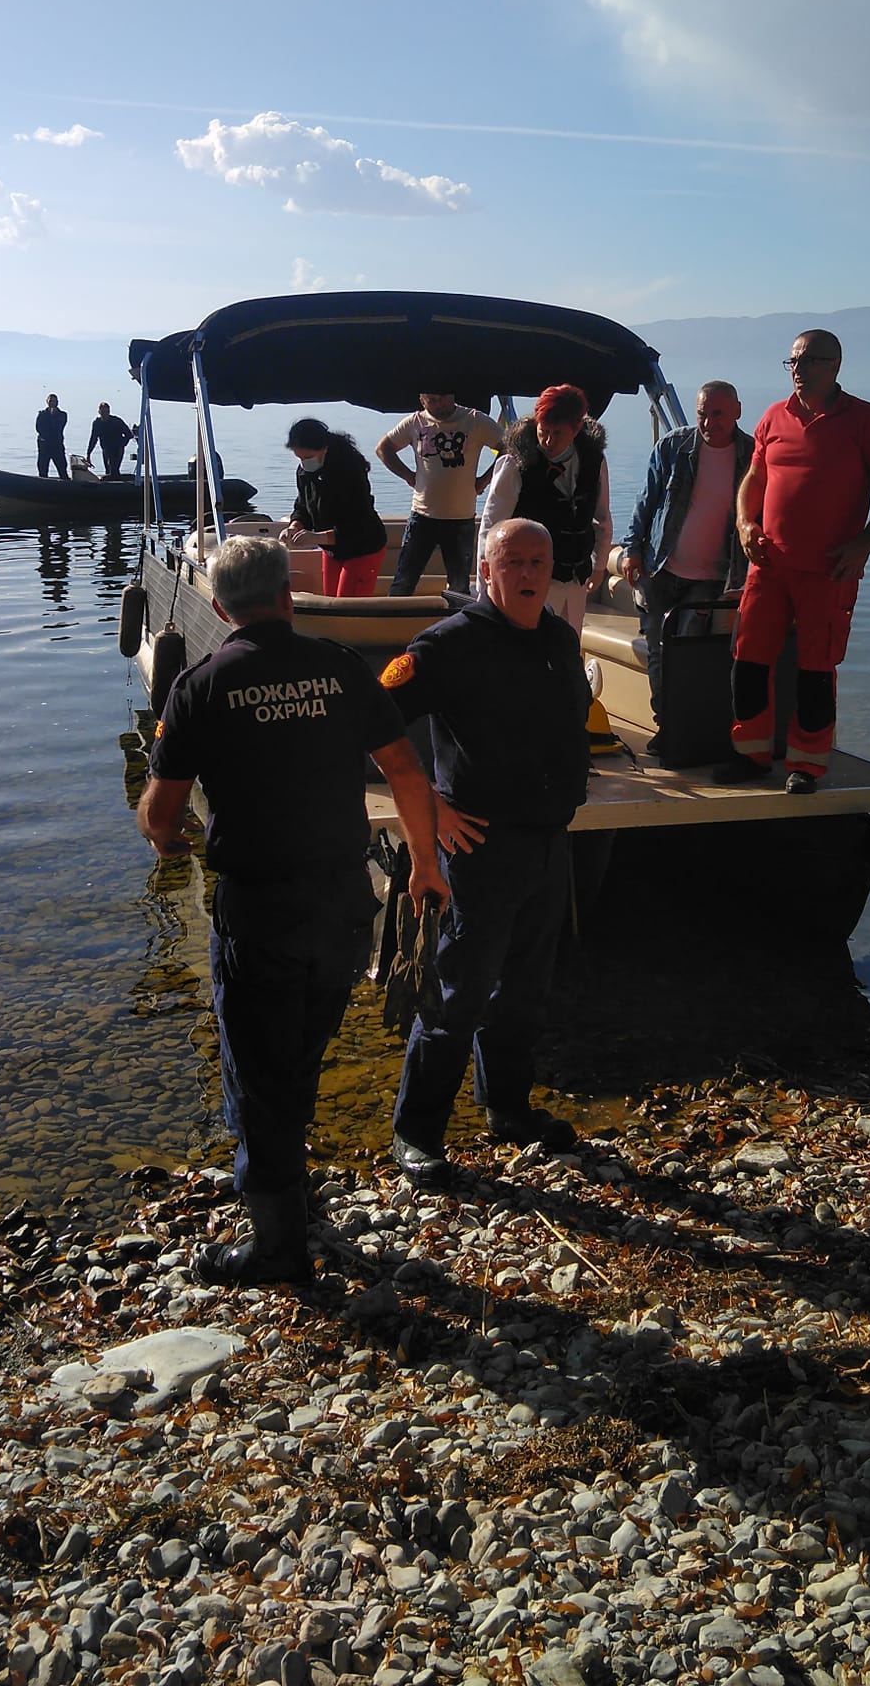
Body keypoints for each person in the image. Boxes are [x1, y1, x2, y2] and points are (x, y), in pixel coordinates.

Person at [137, 535, 445, 1285]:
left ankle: (277, 1244)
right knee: (304, 1048)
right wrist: (426, 863)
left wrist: (170, 840)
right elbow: (404, 767)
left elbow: (160, 812)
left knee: (255, 1069)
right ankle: (292, 1188)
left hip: (261, 907)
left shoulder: (202, 685)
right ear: (288, 596)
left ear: (218, 607)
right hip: (342, 900)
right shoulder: (339, 667)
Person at [380, 518, 592, 1185]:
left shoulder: (557, 636)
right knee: (457, 991)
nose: (528, 574)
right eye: (514, 563)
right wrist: (431, 809)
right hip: (478, 849)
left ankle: (507, 1108)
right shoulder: (447, 646)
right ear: (486, 568)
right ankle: (416, 1133)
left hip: (547, 843)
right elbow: (374, 722)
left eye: (539, 561)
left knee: (525, 988)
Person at [724, 330, 870, 794]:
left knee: (815, 669)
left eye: (807, 362)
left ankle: (806, 766)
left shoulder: (864, 420)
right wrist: (746, 525)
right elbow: (753, 478)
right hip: (767, 566)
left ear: (835, 366)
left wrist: (863, 545)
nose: (797, 371)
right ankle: (751, 756)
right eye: (791, 363)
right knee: (748, 661)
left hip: (829, 571)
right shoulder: (773, 416)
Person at [620, 381, 753, 754]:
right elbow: (645, 502)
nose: (709, 423)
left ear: (737, 412)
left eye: (718, 414)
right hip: (661, 568)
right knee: (660, 650)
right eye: (702, 414)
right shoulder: (673, 446)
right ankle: (668, 726)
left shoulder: (752, 456)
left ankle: (694, 726)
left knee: (691, 650)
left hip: (710, 577)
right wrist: (632, 550)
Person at [476, 384, 612, 633]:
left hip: (575, 579)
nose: (547, 441)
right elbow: (490, 526)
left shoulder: (594, 462)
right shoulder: (515, 465)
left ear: (576, 429)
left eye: (557, 434)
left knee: (568, 645)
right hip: (527, 578)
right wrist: (486, 587)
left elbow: (602, 519)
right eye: (543, 431)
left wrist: (599, 565)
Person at [376, 390, 505, 597]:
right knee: (404, 581)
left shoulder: (475, 420)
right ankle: (393, 623)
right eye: (433, 401)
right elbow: (384, 448)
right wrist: (408, 476)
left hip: (460, 519)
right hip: (422, 517)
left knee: (458, 586)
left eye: (444, 398)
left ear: (453, 396)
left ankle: (457, 625)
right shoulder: (414, 422)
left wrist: (484, 480)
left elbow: (508, 447)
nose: (440, 404)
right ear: (422, 400)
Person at [278, 416, 389, 598]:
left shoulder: (349, 470)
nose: (304, 462)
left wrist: (315, 537)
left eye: (308, 456)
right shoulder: (305, 471)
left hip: (363, 547)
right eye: (299, 457)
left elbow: (356, 525)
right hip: (332, 549)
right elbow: (303, 506)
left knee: (346, 606)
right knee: (330, 599)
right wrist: (294, 526)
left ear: (324, 448)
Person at [86, 401, 136, 480]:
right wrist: (88, 454)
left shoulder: (116, 421)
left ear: (109, 412)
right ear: (99, 412)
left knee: (114, 471)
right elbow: (93, 439)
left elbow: (129, 435)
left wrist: (122, 444)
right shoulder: (97, 423)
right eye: (102, 412)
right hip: (106, 449)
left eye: (106, 412)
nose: (104, 414)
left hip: (117, 449)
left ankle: (130, 479)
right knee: (108, 471)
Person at [35, 393, 68, 479]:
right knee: (42, 468)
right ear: (47, 402)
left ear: (57, 402)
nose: (52, 403)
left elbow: (58, 428)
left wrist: (52, 416)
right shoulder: (42, 414)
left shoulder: (62, 415)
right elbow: (39, 428)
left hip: (56, 445)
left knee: (62, 468)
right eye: (50, 401)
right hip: (45, 445)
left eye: (54, 401)